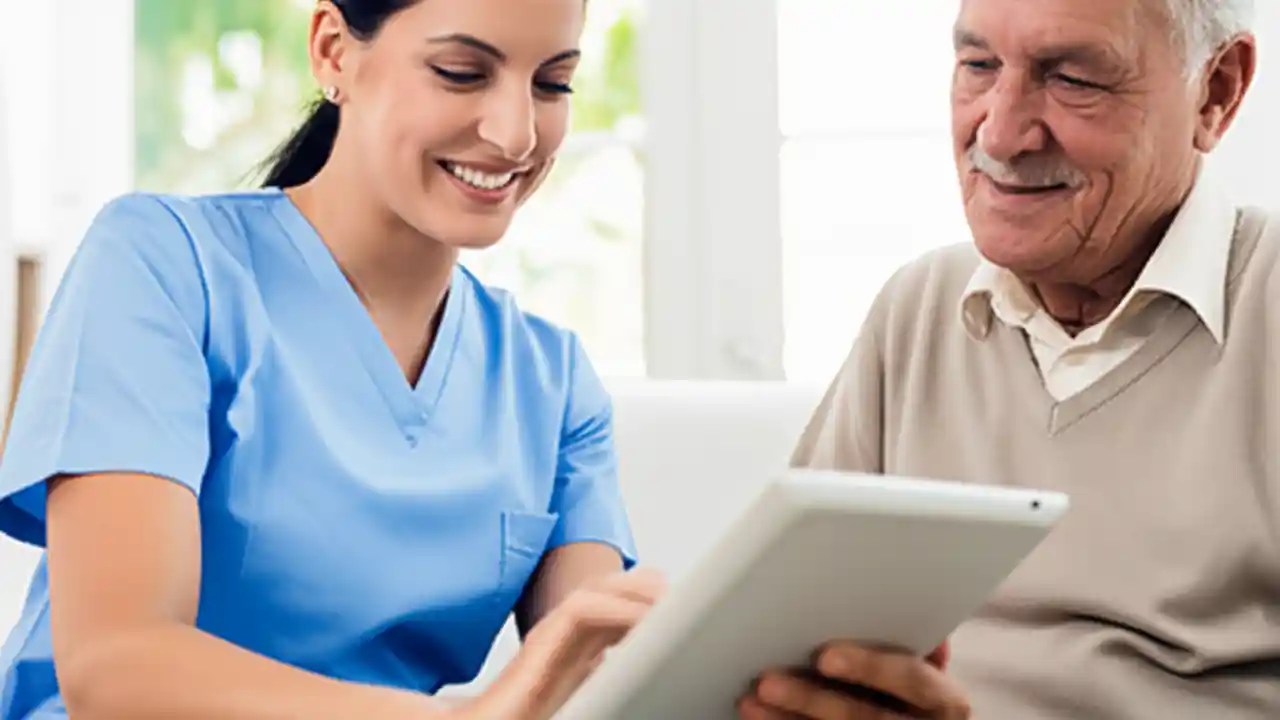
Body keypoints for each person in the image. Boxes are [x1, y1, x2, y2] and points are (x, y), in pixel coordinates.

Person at [0, 1, 670, 717]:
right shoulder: (164, 265)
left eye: (552, 84)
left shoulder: (553, 383)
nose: (516, 135)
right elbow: (116, 667)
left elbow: (596, 674)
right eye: (460, 72)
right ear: (332, 50)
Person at [750, 0, 1279, 718]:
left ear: (1217, 91)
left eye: (1072, 79)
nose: (999, 133)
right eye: (979, 66)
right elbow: (782, 649)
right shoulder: (920, 308)